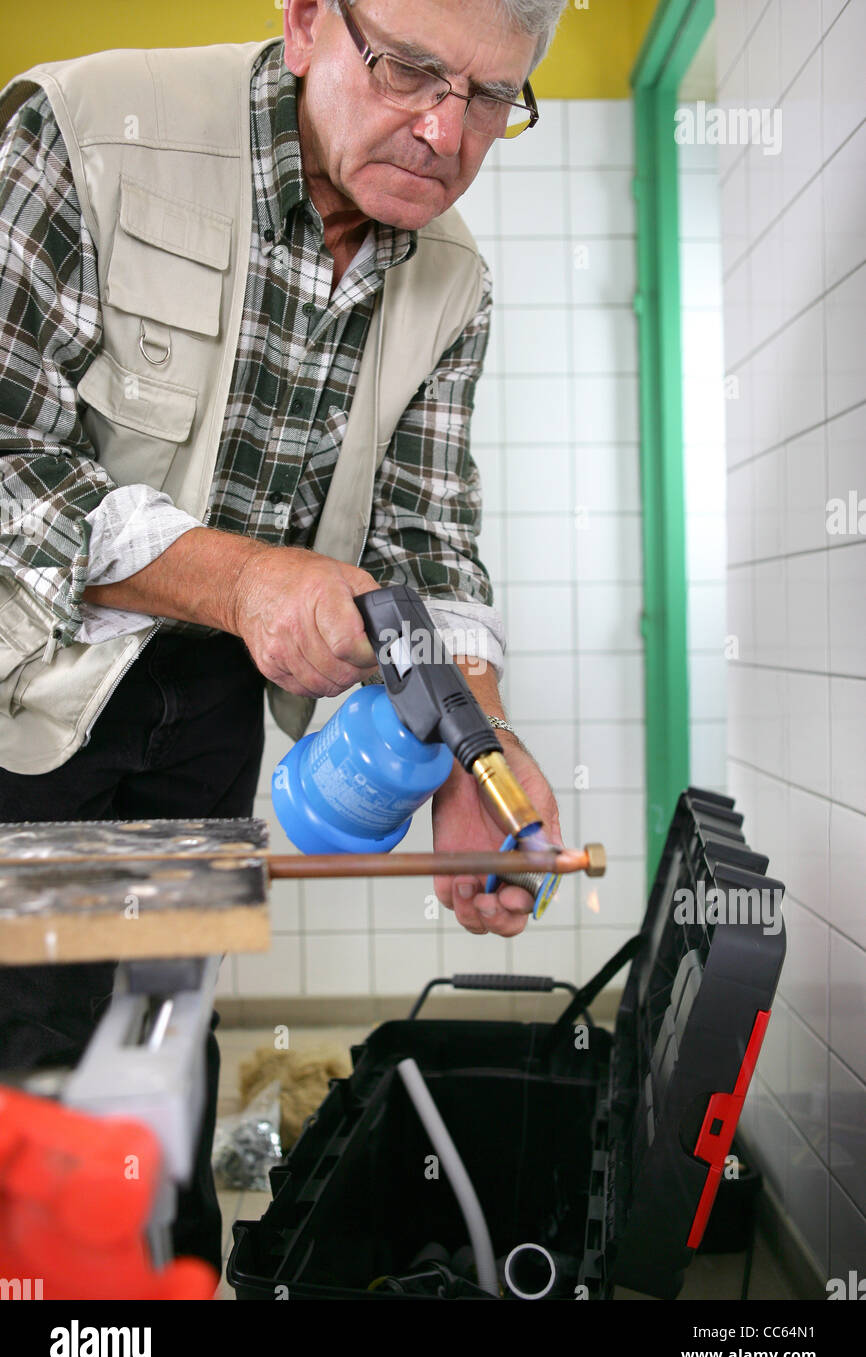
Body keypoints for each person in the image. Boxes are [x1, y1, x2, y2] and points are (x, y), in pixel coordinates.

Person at [0, 0, 568, 1275]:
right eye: (413, 68)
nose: (441, 129)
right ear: (308, 16)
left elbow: (430, 539)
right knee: (27, 1076)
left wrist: (471, 758)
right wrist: (247, 580)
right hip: (16, 708)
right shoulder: (87, 133)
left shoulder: (452, 281)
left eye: (491, 97)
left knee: (156, 1054)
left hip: (197, 723)